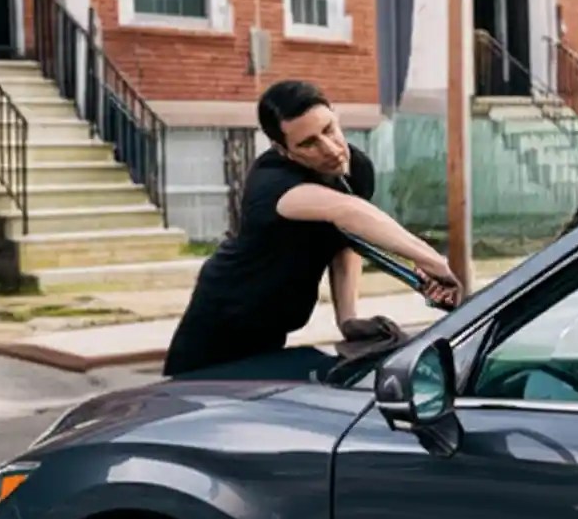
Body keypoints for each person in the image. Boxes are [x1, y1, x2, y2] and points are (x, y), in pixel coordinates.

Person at [162, 80, 462, 377]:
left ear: (335, 114)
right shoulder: (271, 183)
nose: (330, 149)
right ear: (283, 150)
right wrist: (432, 260)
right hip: (219, 327)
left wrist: (347, 319)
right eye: (308, 143)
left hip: (273, 329)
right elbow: (347, 212)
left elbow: (344, 242)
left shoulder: (355, 171)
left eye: (329, 129)